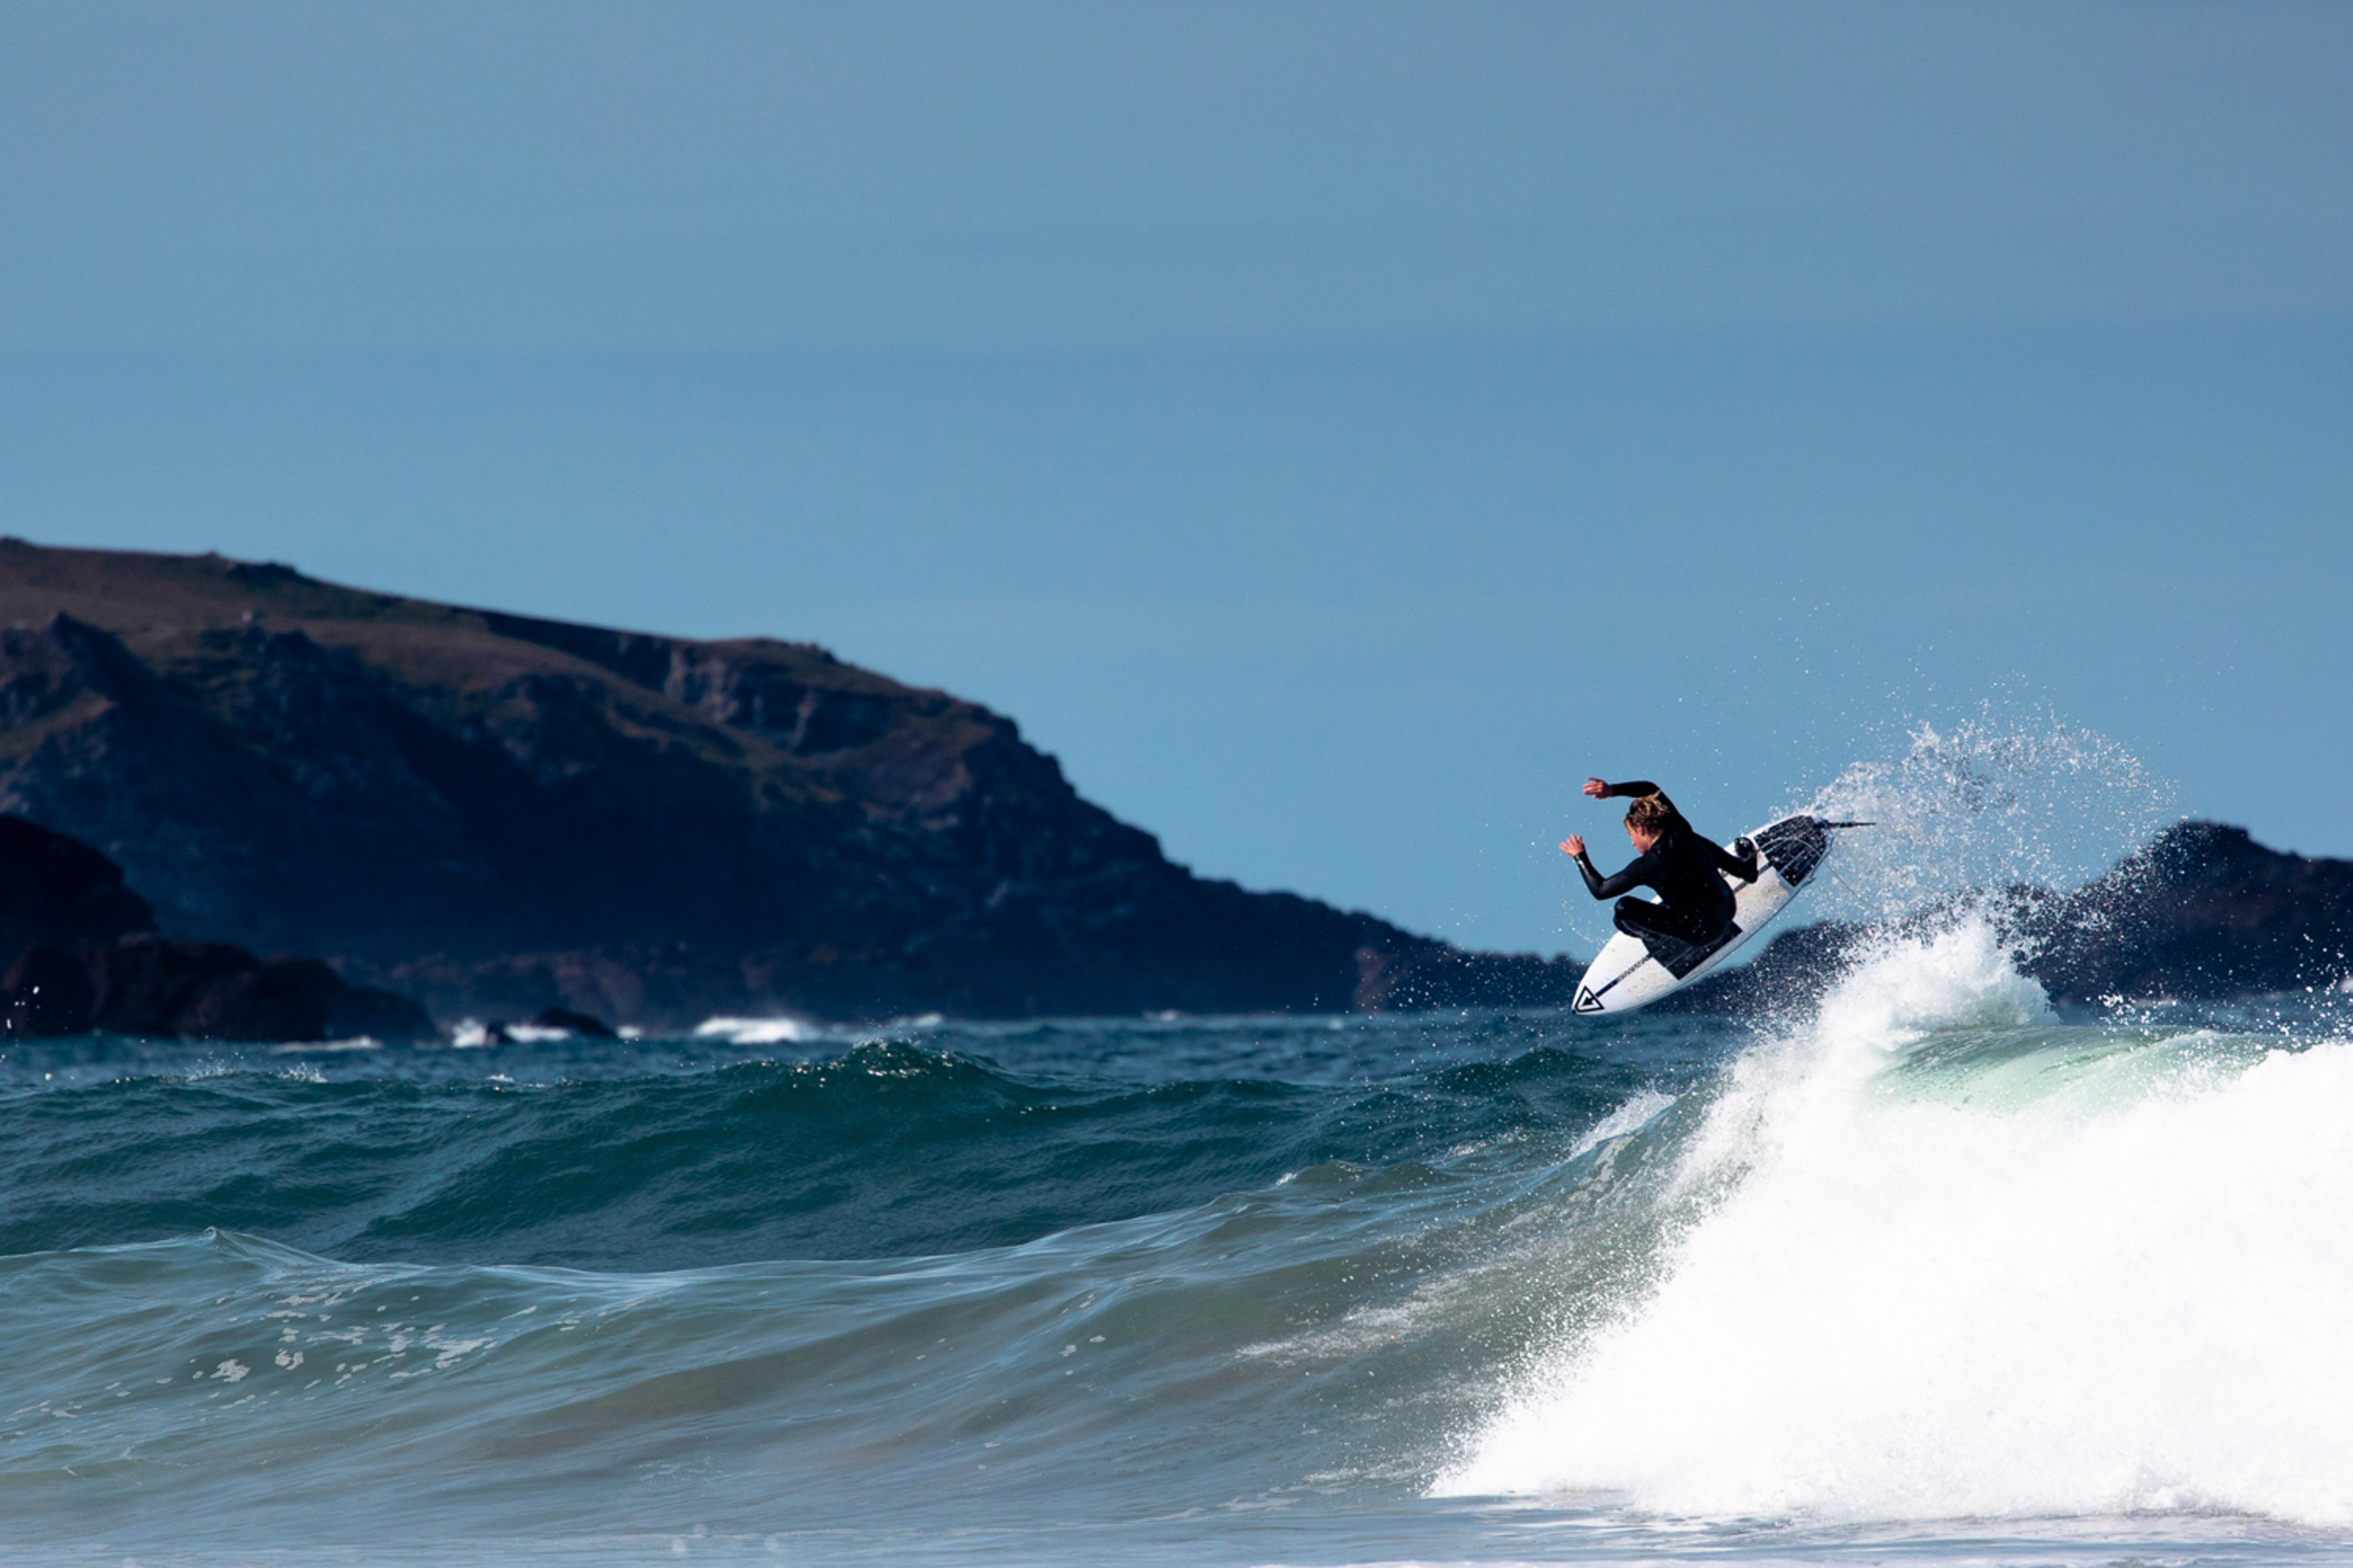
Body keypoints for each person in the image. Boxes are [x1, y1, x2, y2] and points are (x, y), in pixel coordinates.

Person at [1561, 778, 1758, 948]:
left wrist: (1579, 856)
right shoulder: (1680, 829)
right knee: (1693, 839)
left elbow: (1600, 890)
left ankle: (1659, 940)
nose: (1632, 843)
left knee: (1622, 910)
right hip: (1728, 907)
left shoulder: (1646, 866)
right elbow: (1649, 789)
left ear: (1641, 829)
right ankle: (1745, 870)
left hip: (1703, 933)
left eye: (1631, 836)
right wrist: (1612, 790)